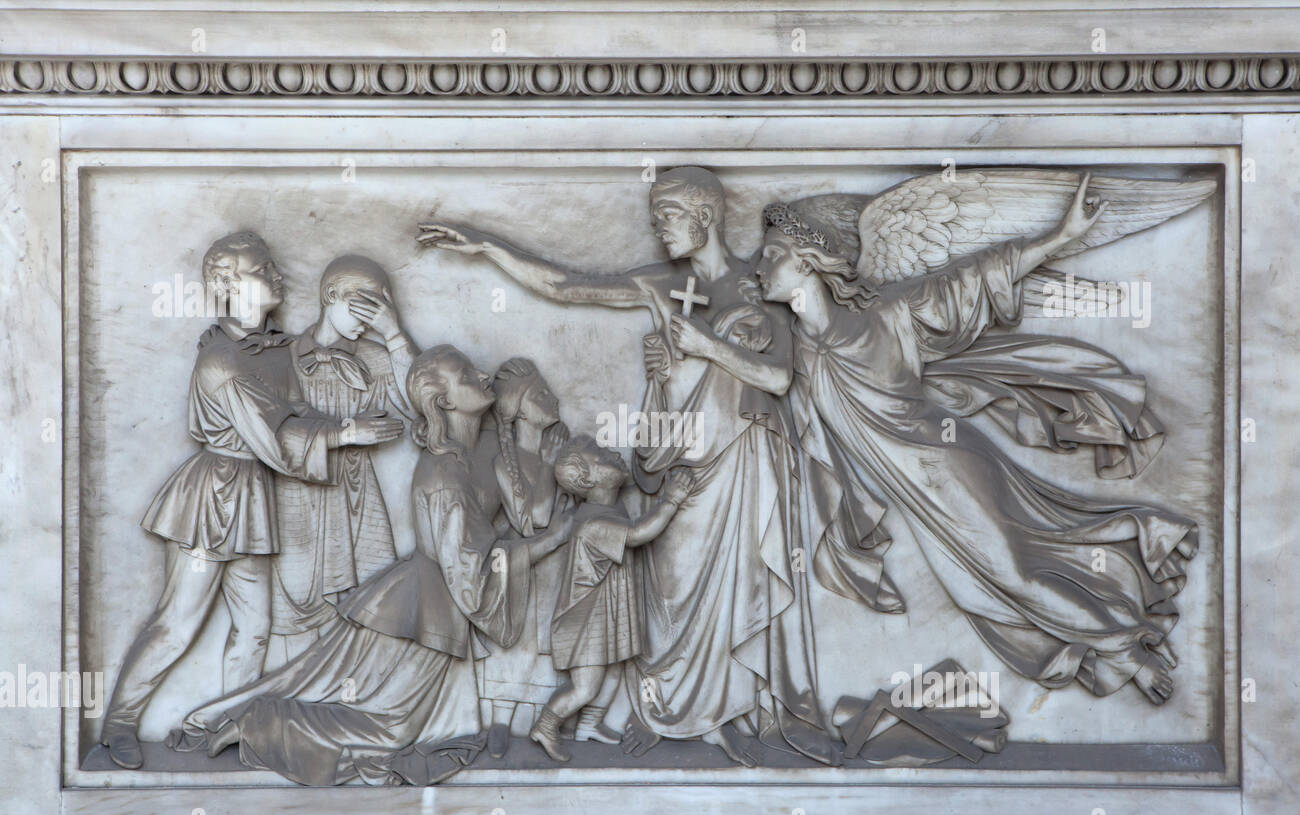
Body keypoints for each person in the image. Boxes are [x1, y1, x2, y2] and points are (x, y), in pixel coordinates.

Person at [417, 167, 885, 767]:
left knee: (741, 586)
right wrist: (489, 248)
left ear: (705, 216)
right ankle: (667, 710)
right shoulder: (662, 284)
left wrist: (703, 344)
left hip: (745, 457)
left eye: (666, 217)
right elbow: (568, 287)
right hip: (679, 460)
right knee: (668, 583)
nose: (657, 230)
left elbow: (778, 376)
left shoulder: (756, 285)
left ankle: (731, 717)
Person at [753, 176, 1197, 704]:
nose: (759, 267)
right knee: (987, 589)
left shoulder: (888, 318)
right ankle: (1122, 624)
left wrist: (1061, 235)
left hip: (946, 466)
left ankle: (1127, 649)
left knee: (1013, 574)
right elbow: (772, 386)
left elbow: (976, 279)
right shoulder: (798, 348)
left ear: (806, 262)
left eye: (771, 255)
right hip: (916, 496)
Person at [168, 345, 574, 785]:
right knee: (385, 728)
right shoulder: (445, 476)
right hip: (420, 611)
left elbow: (526, 517)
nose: (481, 374)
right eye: (466, 373)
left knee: (339, 697)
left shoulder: (482, 449)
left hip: (433, 608)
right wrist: (557, 539)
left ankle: (253, 715)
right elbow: (468, 569)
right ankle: (255, 724)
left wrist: (539, 455)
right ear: (444, 402)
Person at [100, 232, 402, 770]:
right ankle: (120, 722)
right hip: (211, 497)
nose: (278, 277)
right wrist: (346, 432)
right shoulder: (220, 359)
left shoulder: (280, 348)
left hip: (255, 500)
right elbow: (270, 428)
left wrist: (384, 327)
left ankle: (223, 723)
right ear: (228, 284)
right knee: (178, 622)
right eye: (264, 270)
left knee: (255, 628)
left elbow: (321, 366)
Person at [266, 255, 419, 668]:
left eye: (380, 308)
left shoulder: (376, 357)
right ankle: (289, 704)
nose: (371, 317)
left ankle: (358, 703)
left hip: (357, 497)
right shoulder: (283, 357)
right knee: (293, 604)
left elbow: (422, 402)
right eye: (364, 304)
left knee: (371, 601)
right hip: (297, 495)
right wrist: (347, 434)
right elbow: (270, 433)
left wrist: (394, 334)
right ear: (330, 295)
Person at [529, 437, 693, 762]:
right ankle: (546, 725)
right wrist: (671, 500)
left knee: (617, 668)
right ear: (587, 480)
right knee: (585, 688)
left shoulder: (604, 509)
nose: (614, 453)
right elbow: (639, 534)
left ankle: (589, 724)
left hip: (606, 615)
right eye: (602, 456)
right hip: (586, 623)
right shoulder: (593, 524)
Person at [478, 358, 568, 757]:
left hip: (555, 567)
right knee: (516, 643)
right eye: (540, 394)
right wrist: (549, 467)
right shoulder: (507, 462)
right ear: (519, 410)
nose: (551, 399)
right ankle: (500, 720)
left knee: (546, 645)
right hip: (522, 566)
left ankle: (539, 721)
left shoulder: (558, 453)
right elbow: (537, 518)